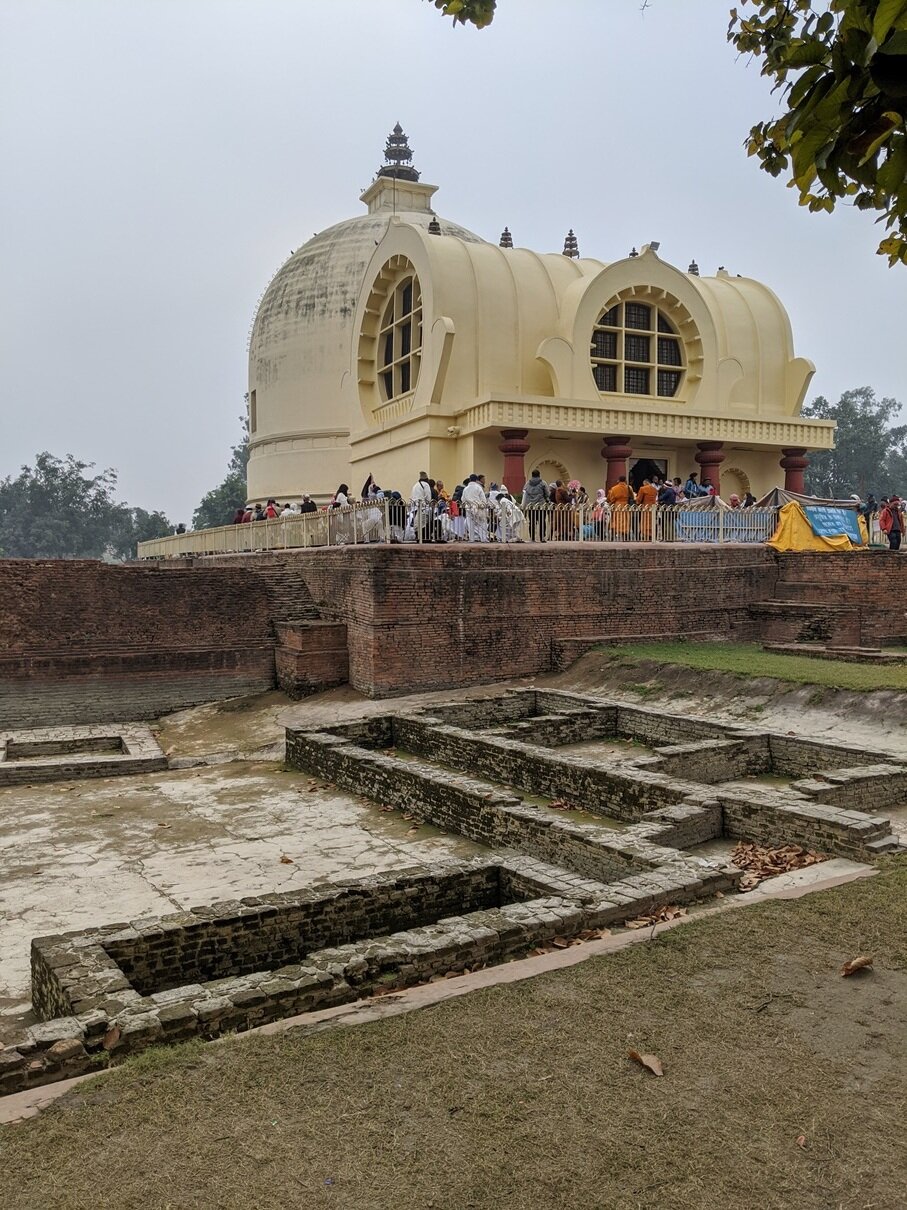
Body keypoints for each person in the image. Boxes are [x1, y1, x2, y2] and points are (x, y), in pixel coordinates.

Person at [521, 469, 549, 542]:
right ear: (539, 475)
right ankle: (542, 537)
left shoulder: (527, 483)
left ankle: (532, 538)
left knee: (532, 522)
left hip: (531, 506)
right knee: (542, 522)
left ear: (532, 475)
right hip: (541, 505)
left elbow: (524, 493)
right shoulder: (543, 483)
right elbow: (547, 493)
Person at [461, 473, 490, 542]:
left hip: (469, 508)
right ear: (476, 480)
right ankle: (483, 538)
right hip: (478, 508)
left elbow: (463, 499)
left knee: (471, 524)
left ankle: (472, 538)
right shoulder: (478, 488)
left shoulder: (465, 489)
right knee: (481, 524)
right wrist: (483, 505)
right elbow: (483, 499)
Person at [409, 470, 433, 542]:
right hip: (423, 508)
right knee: (423, 524)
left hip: (414, 508)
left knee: (417, 525)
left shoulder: (415, 485)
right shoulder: (426, 485)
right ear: (426, 479)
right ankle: (423, 538)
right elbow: (428, 498)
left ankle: (418, 538)